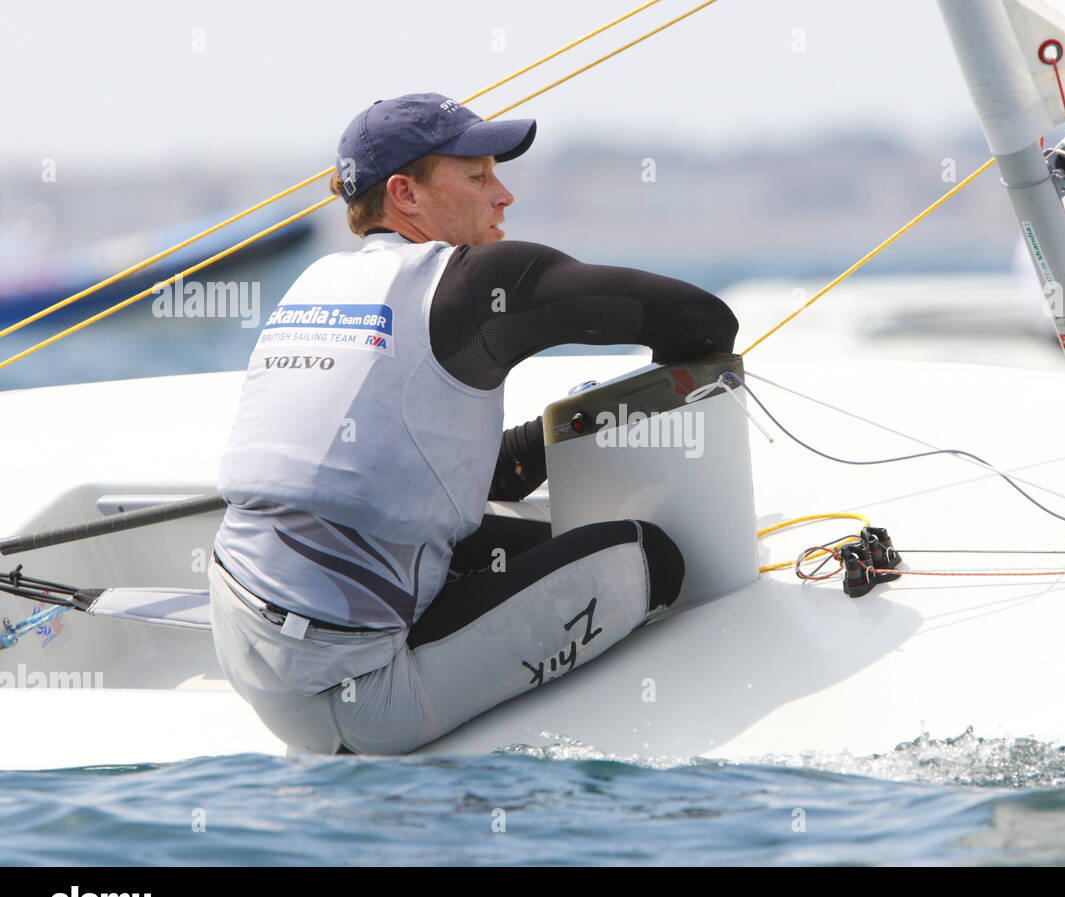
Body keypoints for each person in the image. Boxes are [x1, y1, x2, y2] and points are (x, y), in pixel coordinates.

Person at [208, 92, 738, 755]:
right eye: (479, 175)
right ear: (406, 194)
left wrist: (567, 431)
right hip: (359, 702)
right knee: (653, 556)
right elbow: (705, 323)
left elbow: (438, 473)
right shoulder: (478, 283)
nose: (504, 195)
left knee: (537, 537)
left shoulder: (319, 283)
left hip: (240, 638)